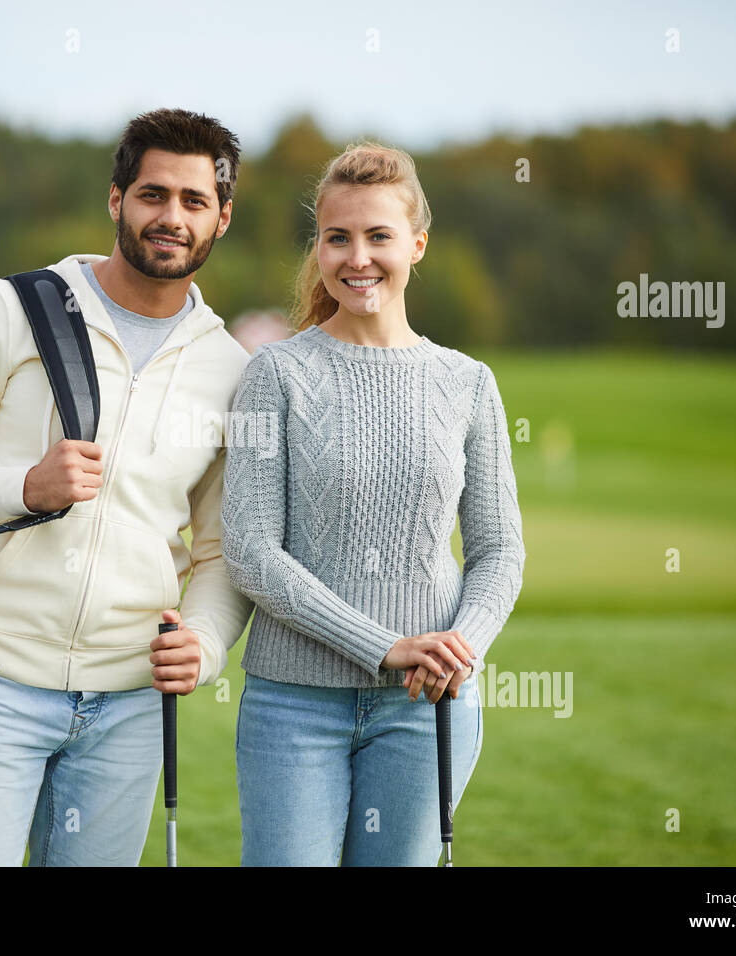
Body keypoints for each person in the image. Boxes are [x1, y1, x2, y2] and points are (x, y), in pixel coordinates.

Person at [0, 108, 253, 866]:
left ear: (222, 218)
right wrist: (23, 485)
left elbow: (220, 554)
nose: (170, 217)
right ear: (116, 200)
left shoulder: (232, 370)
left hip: (131, 705)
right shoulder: (6, 309)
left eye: (193, 201)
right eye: (152, 195)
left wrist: (206, 646)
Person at [221, 141, 527, 866]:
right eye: (338, 238)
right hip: (294, 706)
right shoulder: (274, 374)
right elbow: (252, 552)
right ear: (319, 248)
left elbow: (499, 549)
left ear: (417, 244)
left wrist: (464, 647)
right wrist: (383, 648)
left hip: (427, 708)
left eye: (379, 236)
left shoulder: (468, 382)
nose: (358, 257)